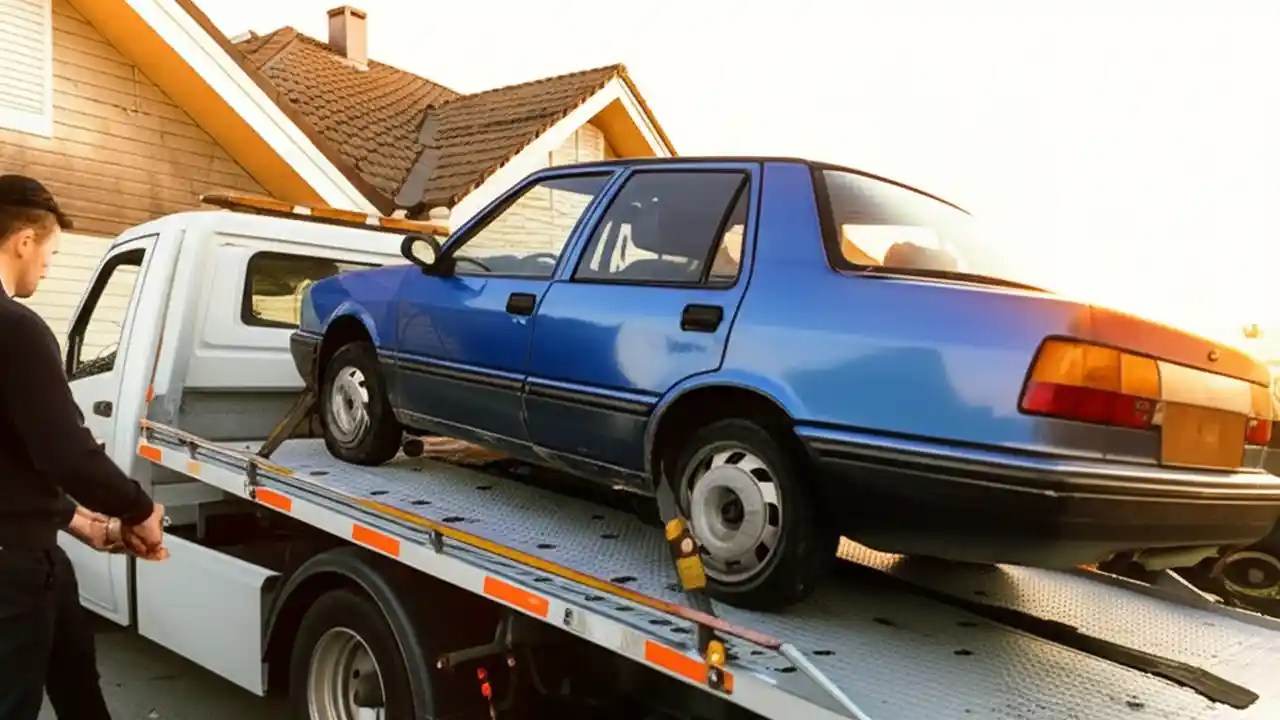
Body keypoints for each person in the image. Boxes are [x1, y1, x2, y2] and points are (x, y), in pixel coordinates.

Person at [0, 174, 169, 720]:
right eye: (50, 251)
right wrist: (139, 508)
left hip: (36, 548)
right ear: (24, 241)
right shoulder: (17, 330)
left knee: (74, 672)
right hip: (13, 566)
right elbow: (64, 453)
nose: (48, 265)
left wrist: (74, 518)